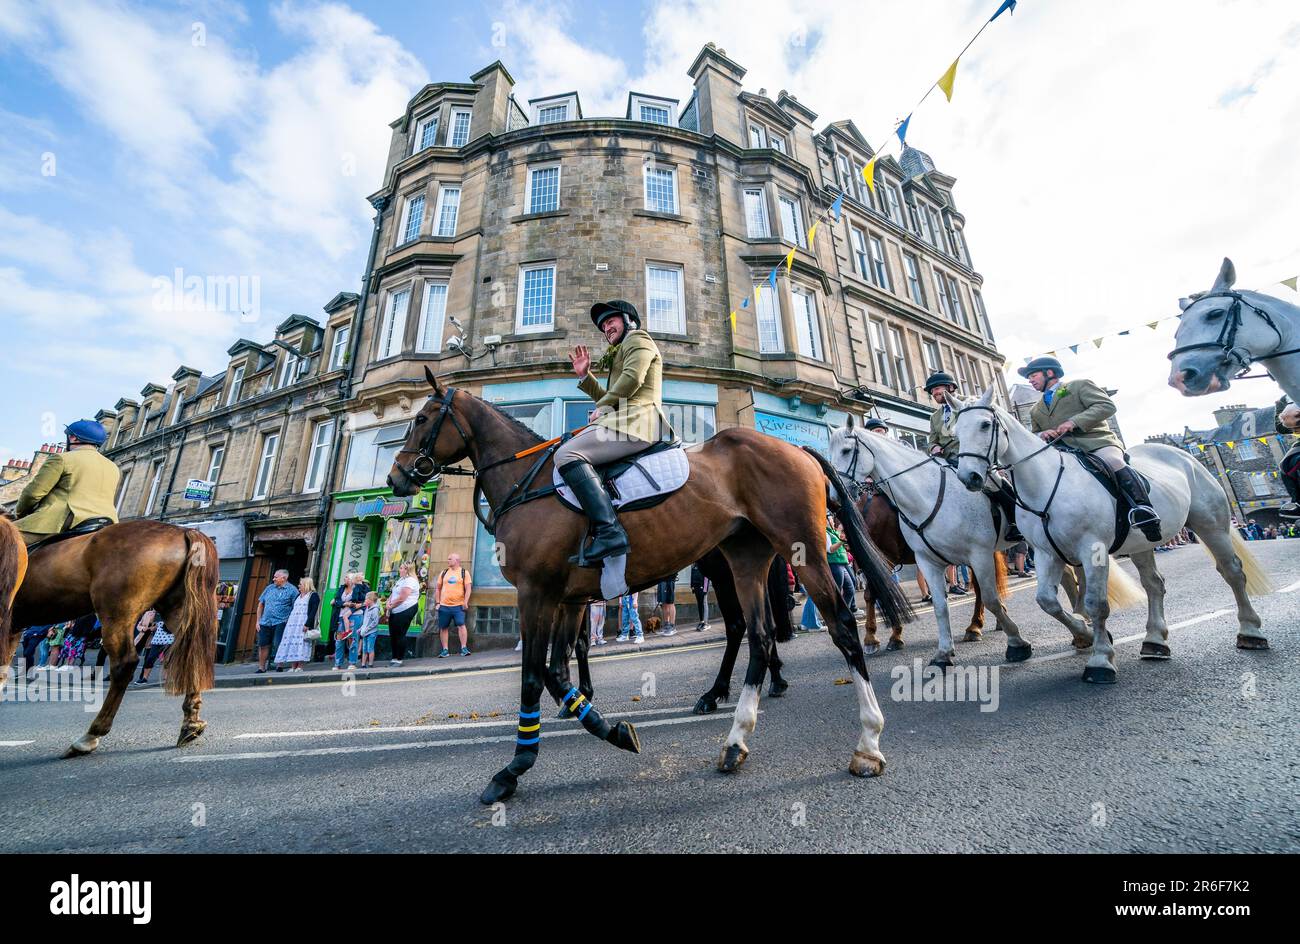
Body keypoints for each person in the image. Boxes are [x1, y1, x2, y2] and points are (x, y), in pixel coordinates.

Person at [558, 300, 670, 565]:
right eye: (604, 326)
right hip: (625, 420)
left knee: (566, 455)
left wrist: (605, 405)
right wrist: (586, 377)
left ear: (628, 320)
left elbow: (633, 379)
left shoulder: (638, 338)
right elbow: (613, 395)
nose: (607, 327)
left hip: (640, 422)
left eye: (611, 321)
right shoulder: (623, 349)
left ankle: (609, 532)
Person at [1018, 356, 1162, 542]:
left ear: (1050, 373)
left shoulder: (1078, 386)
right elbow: (1035, 433)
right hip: (1062, 453)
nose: (1030, 380)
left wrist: (1074, 421)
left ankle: (1143, 510)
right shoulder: (1035, 409)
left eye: (1033, 375)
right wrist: (1043, 434)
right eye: (1029, 377)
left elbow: (1106, 406)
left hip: (1095, 442)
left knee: (1114, 461)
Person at [924, 371, 1023, 545]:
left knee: (995, 482)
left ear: (951, 387)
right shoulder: (935, 417)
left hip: (974, 459)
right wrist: (934, 446)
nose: (934, 393)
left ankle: (1014, 521)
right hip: (947, 461)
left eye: (937, 388)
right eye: (932, 391)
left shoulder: (972, 404)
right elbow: (932, 439)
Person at [12, 420, 120, 547]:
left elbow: (33, 494)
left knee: (5, 536)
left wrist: (19, 513)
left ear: (72, 437)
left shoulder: (62, 458)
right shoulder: (113, 467)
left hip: (65, 520)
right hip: (107, 522)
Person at [255, 569, 298, 674]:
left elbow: (296, 607)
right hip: (265, 621)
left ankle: (279, 666)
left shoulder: (293, 590)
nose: (273, 579)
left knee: (279, 644)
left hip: (281, 621)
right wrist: (258, 621)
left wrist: (290, 621)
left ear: (284, 578)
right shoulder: (269, 588)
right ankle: (262, 667)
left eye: (276, 577)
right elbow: (261, 604)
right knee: (263, 644)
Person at [274, 577, 319, 672]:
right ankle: (293, 666)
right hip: (293, 623)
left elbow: (313, 611)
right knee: (292, 643)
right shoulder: (298, 596)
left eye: (300, 584)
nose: (299, 586)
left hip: (303, 623)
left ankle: (300, 666)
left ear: (306, 585)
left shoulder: (313, 595)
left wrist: (307, 624)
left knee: (302, 643)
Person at [434, 553, 472, 658]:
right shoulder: (444, 572)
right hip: (444, 605)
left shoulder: (464, 572)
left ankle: (464, 648)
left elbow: (468, 588)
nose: (448, 560)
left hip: (458, 605)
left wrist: (465, 601)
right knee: (443, 627)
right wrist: (437, 603)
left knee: (461, 625)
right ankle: (445, 650)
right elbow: (438, 588)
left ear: (457, 560)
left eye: (450, 559)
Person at [385, 562, 421, 666]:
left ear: (407, 570)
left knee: (400, 634)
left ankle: (399, 659)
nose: (399, 570)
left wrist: (390, 606)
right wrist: (388, 603)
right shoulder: (401, 580)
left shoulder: (410, 581)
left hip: (406, 609)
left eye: (401, 568)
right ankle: (394, 658)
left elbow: (402, 598)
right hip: (395, 609)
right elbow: (393, 593)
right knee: (393, 635)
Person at [1274, 396, 1300, 519]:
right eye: (1295, 429)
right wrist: (1279, 405)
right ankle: (1298, 501)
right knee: (1287, 463)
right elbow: (1281, 428)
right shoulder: (1286, 397)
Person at [136, 616, 172, 685]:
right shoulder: (157, 616)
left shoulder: (172, 614)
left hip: (170, 640)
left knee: (167, 660)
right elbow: (153, 628)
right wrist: (150, 626)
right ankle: (144, 678)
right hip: (157, 640)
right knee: (150, 659)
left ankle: (166, 678)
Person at [358, 592, 382, 668]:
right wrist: (361, 628)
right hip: (365, 632)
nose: (365, 601)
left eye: (366, 599)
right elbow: (365, 621)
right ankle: (363, 664)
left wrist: (366, 629)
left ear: (371, 600)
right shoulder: (367, 609)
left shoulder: (375, 609)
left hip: (371, 633)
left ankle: (370, 664)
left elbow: (375, 622)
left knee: (370, 648)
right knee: (364, 649)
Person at [690, 562, 710, 631]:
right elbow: (692, 575)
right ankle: (701, 621)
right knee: (699, 604)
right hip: (696, 587)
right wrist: (692, 586)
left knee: (704, 604)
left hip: (702, 587)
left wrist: (705, 589)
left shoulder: (704, 563)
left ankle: (705, 623)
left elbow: (707, 577)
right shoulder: (694, 564)